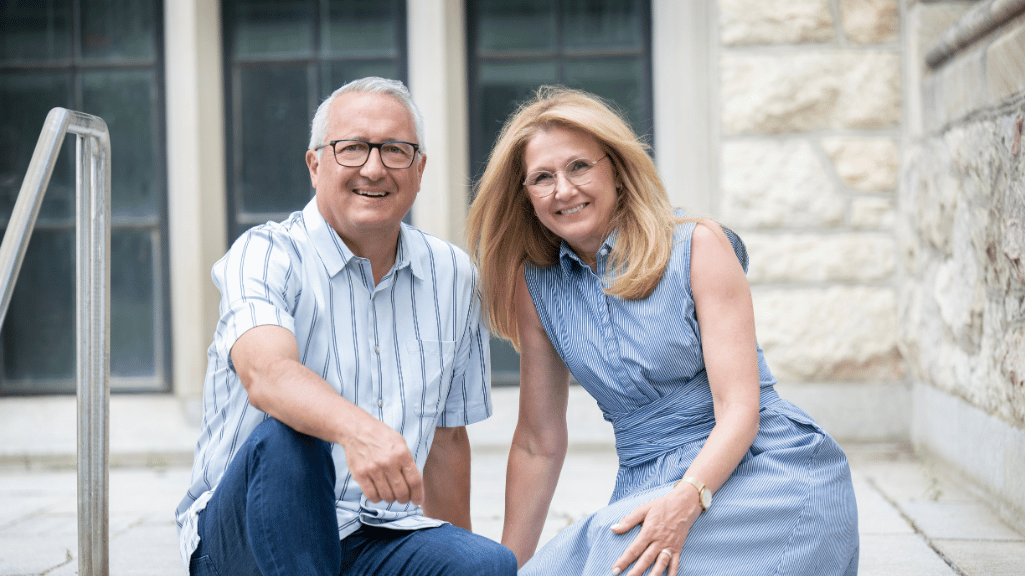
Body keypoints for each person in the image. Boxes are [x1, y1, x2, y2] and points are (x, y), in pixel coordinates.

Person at [466, 86, 859, 576]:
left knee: (605, 556)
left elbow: (739, 409)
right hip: (647, 485)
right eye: (543, 177)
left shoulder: (698, 246)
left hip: (764, 477)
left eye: (579, 167)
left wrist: (685, 501)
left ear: (616, 169)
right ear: (525, 195)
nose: (563, 190)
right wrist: (510, 567)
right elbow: (537, 442)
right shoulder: (538, 287)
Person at [175, 77, 516, 576]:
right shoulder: (265, 254)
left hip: (375, 534)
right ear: (315, 165)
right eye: (352, 148)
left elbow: (446, 442)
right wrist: (359, 431)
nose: (374, 168)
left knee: (485, 564)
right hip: (243, 538)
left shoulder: (453, 274)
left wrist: (455, 548)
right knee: (290, 440)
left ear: (420, 170)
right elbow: (266, 374)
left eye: (395, 150)